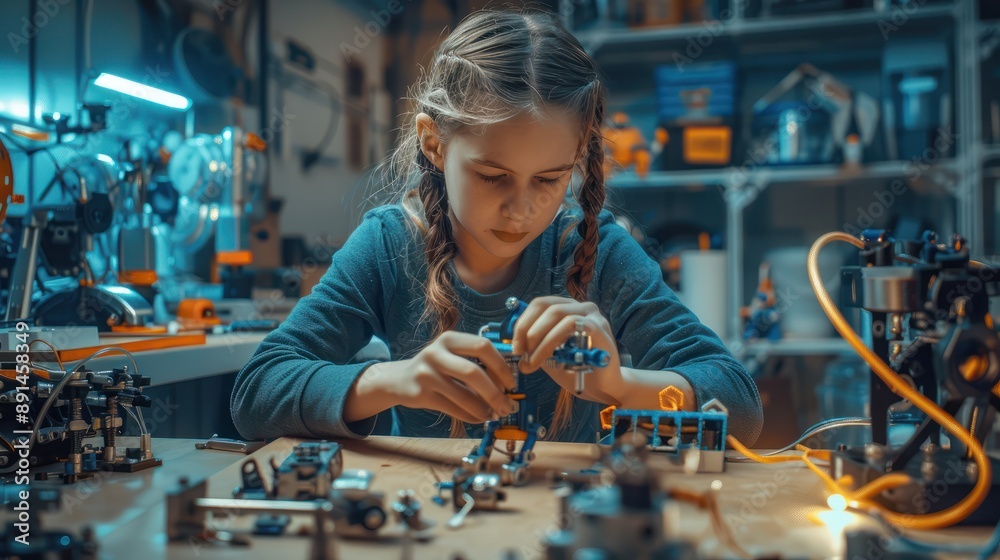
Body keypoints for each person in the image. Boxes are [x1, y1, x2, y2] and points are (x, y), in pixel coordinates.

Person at [231, 9, 762, 446]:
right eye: (492, 176)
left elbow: (739, 402)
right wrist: (396, 381)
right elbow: (256, 394)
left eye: (550, 179)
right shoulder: (390, 244)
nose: (521, 210)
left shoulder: (599, 253)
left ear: (577, 160)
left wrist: (620, 383)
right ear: (434, 143)